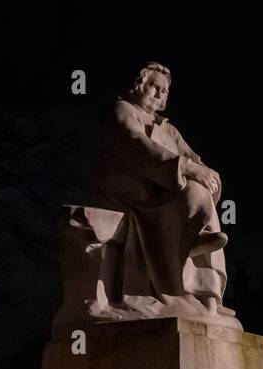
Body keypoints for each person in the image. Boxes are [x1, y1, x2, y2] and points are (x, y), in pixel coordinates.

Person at [97, 62, 234, 315]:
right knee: (193, 195)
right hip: (134, 191)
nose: (160, 93)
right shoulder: (121, 110)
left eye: (165, 90)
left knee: (201, 194)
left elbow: (192, 157)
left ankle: (209, 299)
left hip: (164, 188)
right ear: (139, 85)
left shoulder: (168, 128)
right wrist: (185, 168)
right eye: (154, 86)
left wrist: (206, 172)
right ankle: (174, 288)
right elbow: (135, 145)